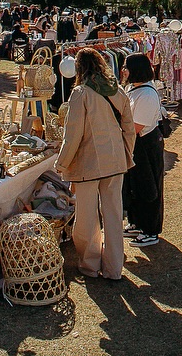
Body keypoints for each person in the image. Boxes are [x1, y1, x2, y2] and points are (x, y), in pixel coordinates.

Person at [57, 47, 136, 279]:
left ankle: (90, 265)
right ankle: (113, 268)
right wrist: (125, 154)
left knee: (87, 218)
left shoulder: (81, 93)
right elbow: (129, 129)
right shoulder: (118, 91)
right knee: (113, 215)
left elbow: (72, 135)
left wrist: (62, 163)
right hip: (114, 161)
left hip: (88, 163)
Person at [121, 54, 164, 248]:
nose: (123, 71)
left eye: (126, 67)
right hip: (135, 144)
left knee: (149, 187)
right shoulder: (133, 89)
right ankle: (136, 222)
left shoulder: (147, 95)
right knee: (135, 185)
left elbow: (135, 127)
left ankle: (150, 230)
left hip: (146, 144)